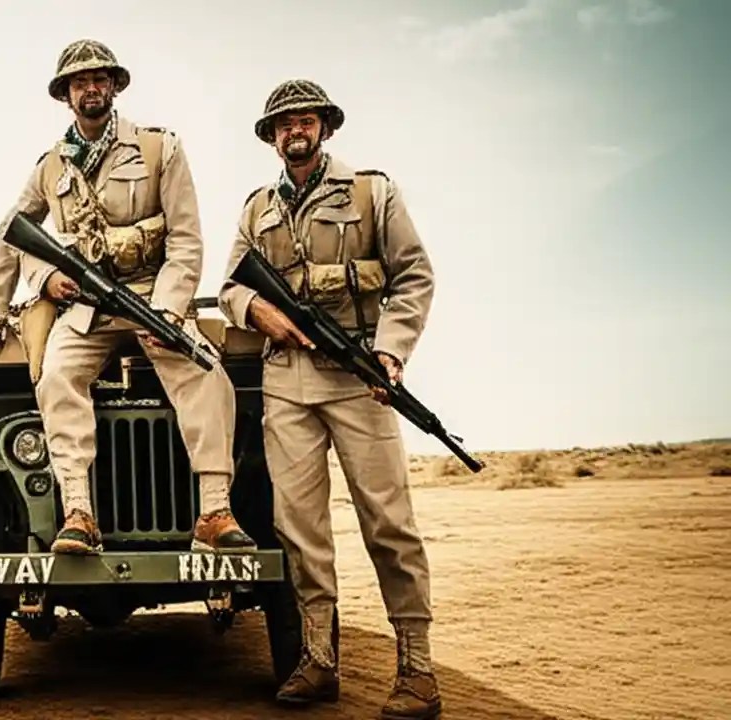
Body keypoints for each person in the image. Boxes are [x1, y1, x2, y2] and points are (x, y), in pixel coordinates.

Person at [217, 79, 441, 719]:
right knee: (299, 528)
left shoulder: (371, 193)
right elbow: (231, 286)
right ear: (271, 136)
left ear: (325, 127)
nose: (296, 130)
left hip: (358, 377)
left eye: (306, 120)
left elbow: (414, 276)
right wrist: (256, 309)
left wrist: (391, 353)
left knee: (389, 523)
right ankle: (317, 659)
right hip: (286, 383)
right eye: (284, 123)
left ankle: (418, 670)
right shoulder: (257, 208)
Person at [0, 38, 256, 556]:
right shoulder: (51, 166)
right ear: (66, 94)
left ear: (113, 87)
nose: (90, 88)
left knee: (205, 373)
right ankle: (78, 513)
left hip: (152, 293)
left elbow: (186, 238)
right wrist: (35, 286)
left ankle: (215, 511)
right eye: (79, 82)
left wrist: (167, 310)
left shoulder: (158, 148)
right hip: (88, 307)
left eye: (98, 79)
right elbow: (12, 234)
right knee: (56, 375)